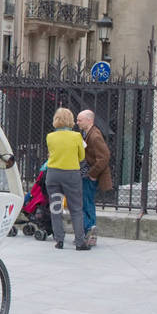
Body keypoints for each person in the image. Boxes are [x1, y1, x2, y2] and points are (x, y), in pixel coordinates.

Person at [45, 107, 90, 251]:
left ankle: (59, 240)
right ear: (70, 120)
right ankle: (79, 241)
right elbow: (82, 157)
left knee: (56, 208)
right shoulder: (76, 136)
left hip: (53, 174)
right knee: (76, 208)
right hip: (71, 174)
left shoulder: (50, 137)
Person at [76, 109, 112, 247]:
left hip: (89, 175)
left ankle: (90, 230)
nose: (77, 122)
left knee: (86, 202)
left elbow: (104, 157)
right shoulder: (87, 133)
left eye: (80, 120)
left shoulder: (94, 135)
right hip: (87, 173)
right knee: (85, 202)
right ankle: (89, 231)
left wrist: (92, 174)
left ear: (89, 120)